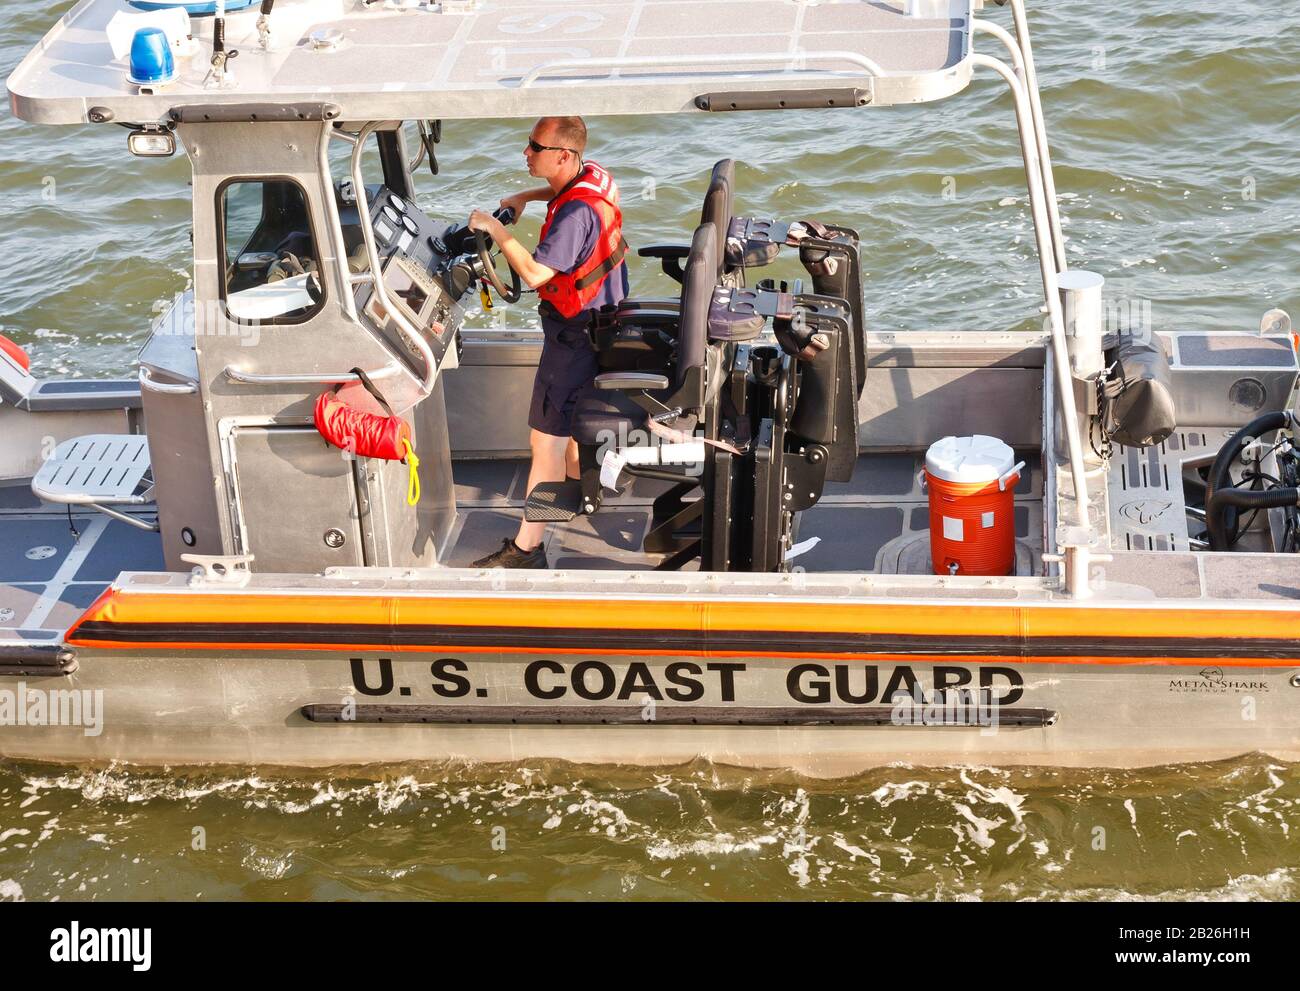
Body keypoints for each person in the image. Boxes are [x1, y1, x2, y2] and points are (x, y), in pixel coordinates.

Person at [467, 116, 630, 569]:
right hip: (605, 318)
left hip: (575, 335)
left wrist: (497, 229)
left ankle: (526, 549)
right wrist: (524, 198)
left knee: (545, 441)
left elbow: (537, 274)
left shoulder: (575, 216)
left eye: (535, 147)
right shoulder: (592, 174)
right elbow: (563, 192)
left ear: (562, 154)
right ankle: (581, 486)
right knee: (571, 425)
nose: (526, 153)